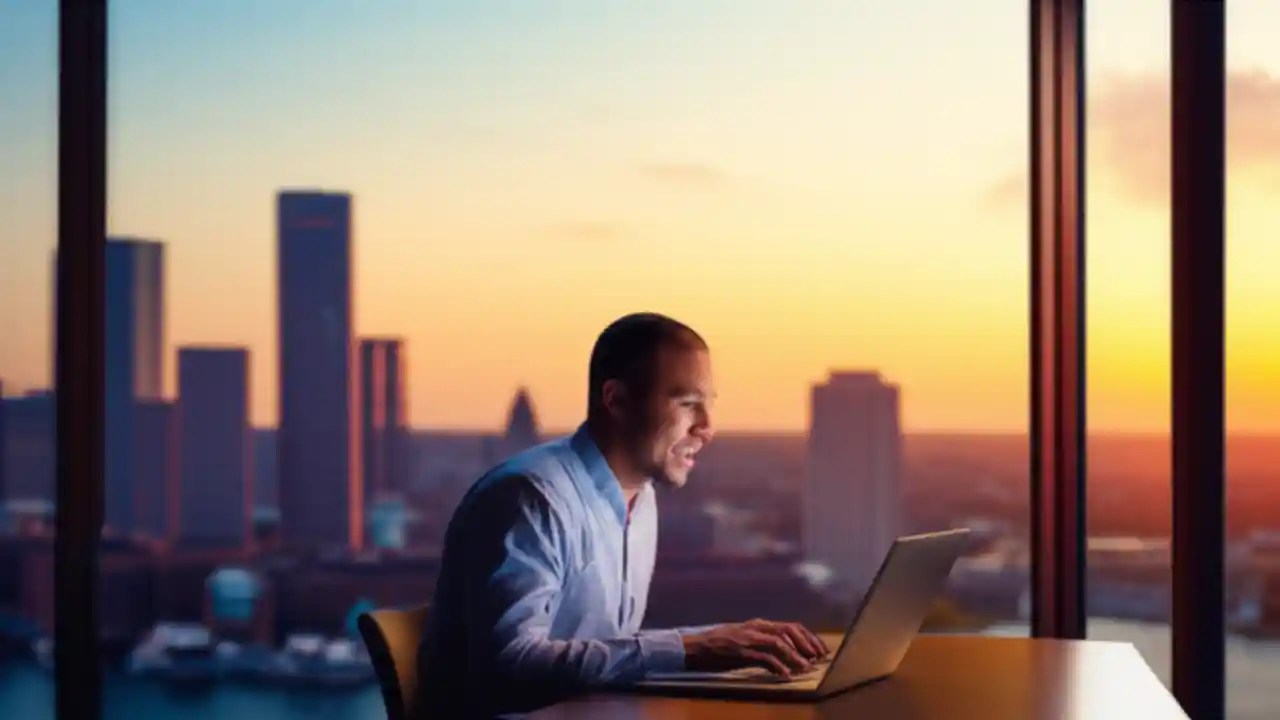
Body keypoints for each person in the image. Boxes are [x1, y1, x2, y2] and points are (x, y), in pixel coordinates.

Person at [417, 312, 828, 717]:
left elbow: (604, 649)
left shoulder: (641, 498)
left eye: (708, 406)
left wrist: (727, 642)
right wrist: (691, 649)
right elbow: (509, 668)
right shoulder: (530, 498)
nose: (707, 427)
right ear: (616, 400)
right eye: (688, 404)